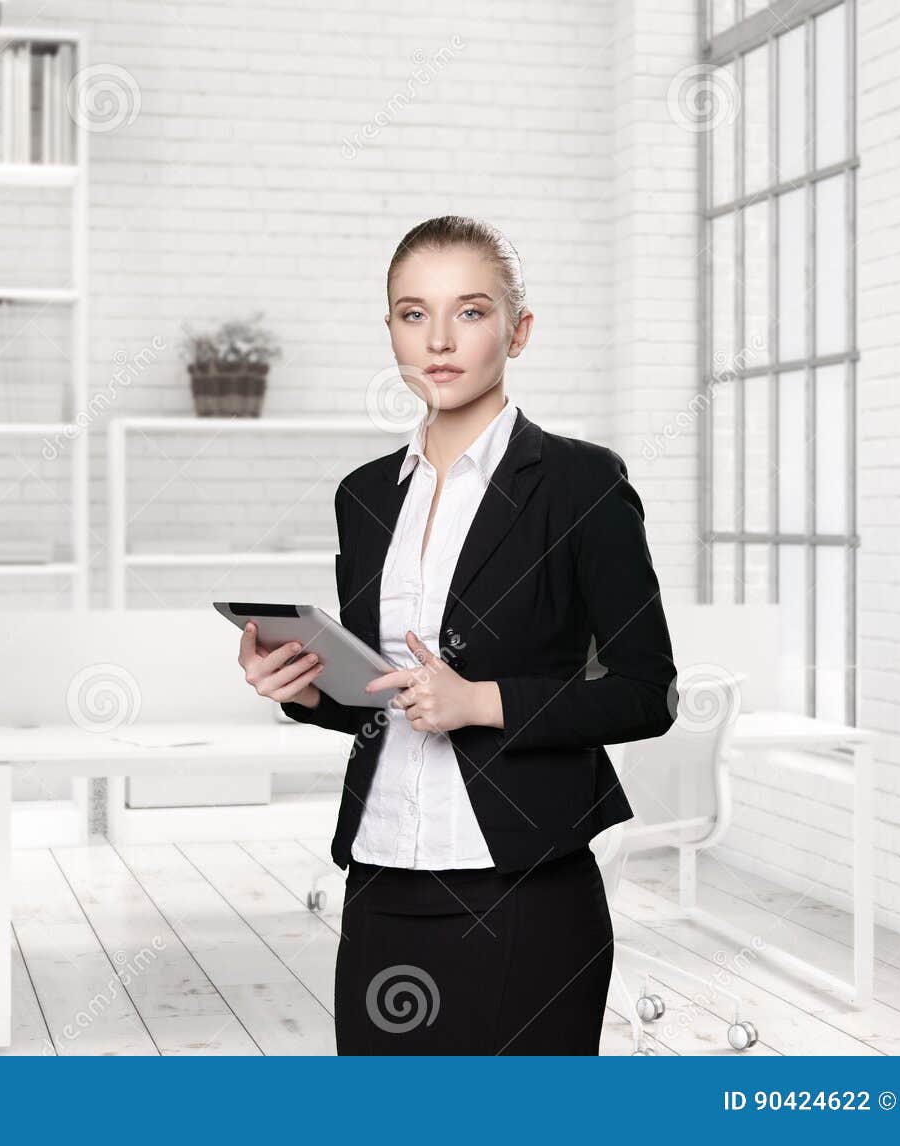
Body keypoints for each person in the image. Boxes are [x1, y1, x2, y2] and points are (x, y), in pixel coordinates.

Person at [237, 215, 678, 1054]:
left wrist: (480, 701)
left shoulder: (583, 482)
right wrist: (303, 687)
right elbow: (383, 698)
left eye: (470, 312)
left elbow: (647, 691)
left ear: (519, 330)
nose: (438, 339)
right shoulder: (364, 496)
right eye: (412, 313)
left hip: (523, 886)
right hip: (381, 880)